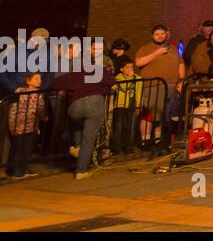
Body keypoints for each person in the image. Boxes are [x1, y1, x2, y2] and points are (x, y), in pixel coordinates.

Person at [49, 50, 115, 179]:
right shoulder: (98, 71)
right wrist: (104, 88)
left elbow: (53, 83)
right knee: (89, 138)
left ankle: (76, 146)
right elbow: (112, 82)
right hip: (95, 103)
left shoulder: (73, 75)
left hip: (75, 105)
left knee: (77, 123)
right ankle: (81, 170)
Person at [134, 25, 185, 154]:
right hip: (153, 86)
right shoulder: (145, 48)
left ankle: (159, 141)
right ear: (152, 35)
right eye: (157, 34)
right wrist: (156, 53)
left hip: (172, 86)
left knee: (166, 115)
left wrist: (181, 80)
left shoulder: (172, 49)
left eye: (162, 33)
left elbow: (181, 64)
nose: (160, 36)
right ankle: (145, 141)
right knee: (151, 114)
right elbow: (138, 62)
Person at [4, 71, 46, 179]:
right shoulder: (25, 93)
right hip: (23, 124)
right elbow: (39, 109)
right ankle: (17, 171)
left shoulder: (31, 93)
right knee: (21, 148)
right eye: (36, 79)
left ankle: (20, 169)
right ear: (28, 81)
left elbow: (39, 109)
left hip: (25, 124)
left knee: (23, 147)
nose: (40, 81)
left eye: (40, 79)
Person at [110, 61, 143, 156]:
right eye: (127, 67)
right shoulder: (118, 78)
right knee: (118, 126)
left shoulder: (138, 79)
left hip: (131, 105)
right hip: (120, 105)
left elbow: (139, 92)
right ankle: (116, 147)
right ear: (121, 69)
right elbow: (124, 87)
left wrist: (139, 105)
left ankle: (128, 146)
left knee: (130, 126)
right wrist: (130, 78)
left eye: (131, 67)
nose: (130, 69)